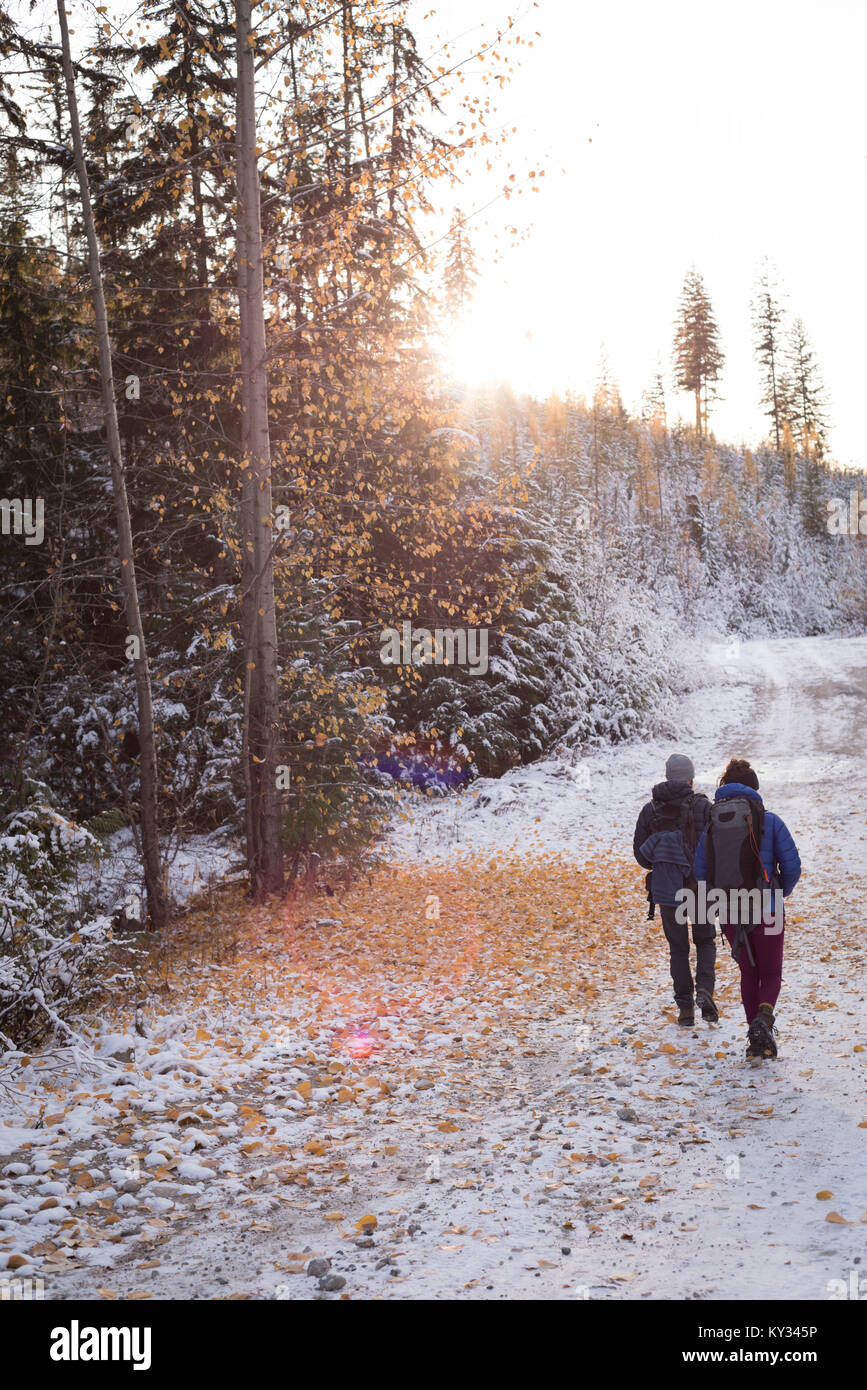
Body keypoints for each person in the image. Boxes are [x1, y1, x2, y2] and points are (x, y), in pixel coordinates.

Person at [692, 757, 801, 1061]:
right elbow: (792, 866)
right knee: (771, 973)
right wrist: (780, 893)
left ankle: (756, 1042)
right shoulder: (771, 821)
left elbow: (701, 871)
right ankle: (763, 1022)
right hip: (767, 908)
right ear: (754, 789)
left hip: (729, 910)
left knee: (749, 974)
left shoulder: (713, 824)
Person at [633, 753, 715, 1027]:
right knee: (705, 940)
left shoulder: (651, 809)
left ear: (668, 776)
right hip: (700, 887)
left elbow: (641, 854)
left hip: (668, 892)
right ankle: (704, 989)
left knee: (678, 949)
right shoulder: (703, 805)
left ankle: (685, 1008)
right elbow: (715, 846)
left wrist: (664, 861)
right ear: (690, 778)